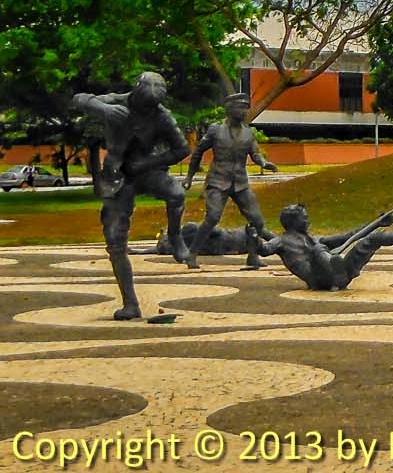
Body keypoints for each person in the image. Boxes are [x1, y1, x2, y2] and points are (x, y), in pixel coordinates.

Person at [73, 72, 191, 320]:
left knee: (176, 193)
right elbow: (80, 98)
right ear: (135, 93)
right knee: (115, 240)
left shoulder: (162, 117)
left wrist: (150, 162)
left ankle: (175, 236)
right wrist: (102, 109)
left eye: (151, 106)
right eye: (143, 103)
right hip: (117, 176)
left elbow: (182, 149)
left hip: (147, 170)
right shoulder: (116, 101)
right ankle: (130, 303)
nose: (147, 109)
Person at [182, 92, 277, 269]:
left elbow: (255, 153)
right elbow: (198, 152)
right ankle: (192, 253)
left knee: (257, 220)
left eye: (246, 108)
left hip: (240, 182)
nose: (244, 111)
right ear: (230, 109)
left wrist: (264, 162)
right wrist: (189, 176)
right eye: (241, 107)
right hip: (218, 181)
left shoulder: (248, 133)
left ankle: (253, 255)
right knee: (212, 217)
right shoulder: (215, 130)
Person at [259, 204, 393, 290]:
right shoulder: (281, 241)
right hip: (320, 280)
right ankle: (334, 265)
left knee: (372, 240)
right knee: (319, 250)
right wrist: (254, 236)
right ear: (292, 221)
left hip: (340, 274)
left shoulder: (313, 239)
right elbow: (265, 250)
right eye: (304, 218)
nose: (308, 221)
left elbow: (347, 237)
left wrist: (375, 224)